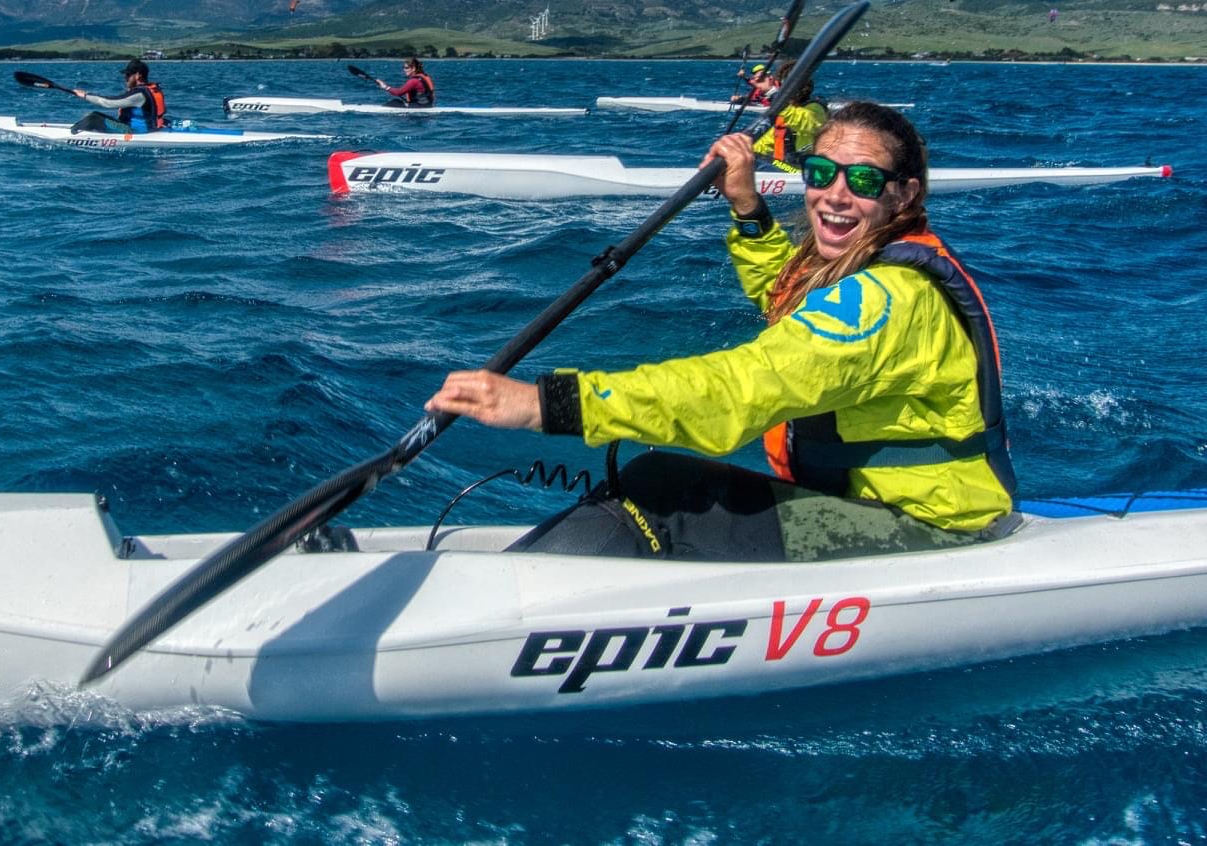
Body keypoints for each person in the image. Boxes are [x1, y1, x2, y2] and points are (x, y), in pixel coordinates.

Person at [426, 102, 1019, 562]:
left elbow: (741, 389)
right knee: (658, 477)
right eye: (820, 172)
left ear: (905, 193)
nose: (835, 195)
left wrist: (551, 404)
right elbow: (787, 299)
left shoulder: (885, 300)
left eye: (863, 180)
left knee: (665, 499)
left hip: (925, 530)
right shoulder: (873, 268)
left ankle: (507, 611)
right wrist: (747, 206)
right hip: (879, 503)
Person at [751, 58, 828, 172]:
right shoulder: (787, 114)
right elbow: (764, 143)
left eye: (781, 86)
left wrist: (772, 93)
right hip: (786, 167)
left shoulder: (815, 109)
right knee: (750, 156)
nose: (779, 89)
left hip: (801, 171)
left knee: (755, 159)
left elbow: (801, 120)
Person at [70, 59, 167, 133]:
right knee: (94, 114)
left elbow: (109, 103)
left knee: (93, 119)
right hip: (151, 129)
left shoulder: (139, 94)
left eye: (128, 75)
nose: (125, 78)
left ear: (138, 75)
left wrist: (85, 95)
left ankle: (71, 133)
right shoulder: (153, 89)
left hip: (136, 132)